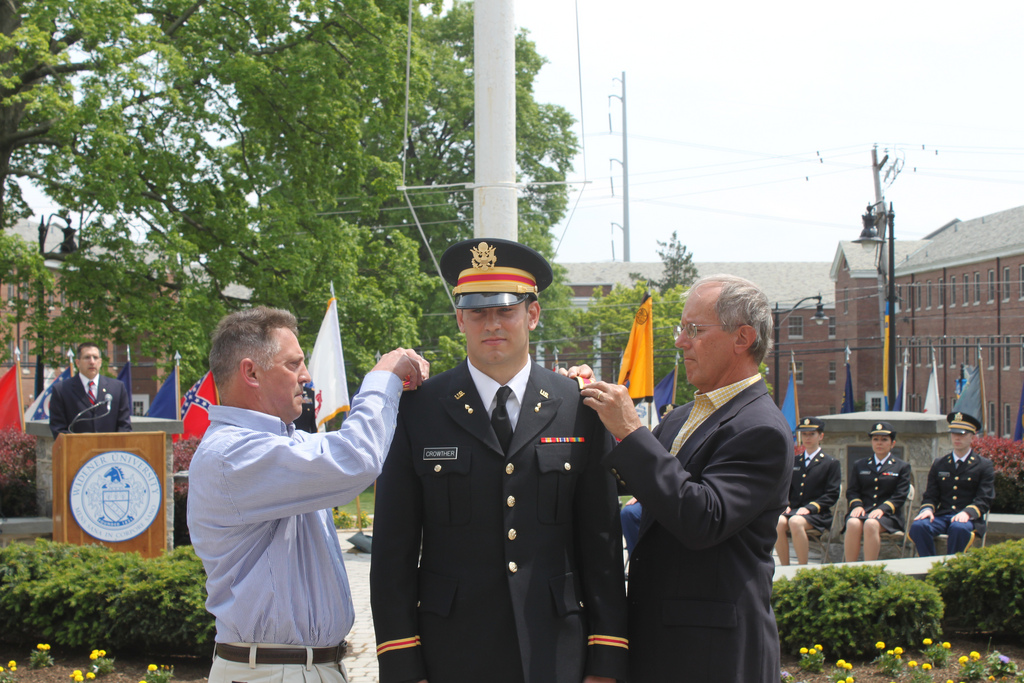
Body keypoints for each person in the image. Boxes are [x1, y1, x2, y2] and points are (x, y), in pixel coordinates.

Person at [370, 238, 628, 683]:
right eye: (477, 312)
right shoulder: (418, 409)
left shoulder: (578, 406)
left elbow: (601, 543)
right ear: (459, 319)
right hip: (451, 652)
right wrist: (402, 665)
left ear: (533, 314)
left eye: (506, 310)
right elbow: (393, 550)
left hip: (557, 649)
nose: (491, 324)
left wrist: (606, 657)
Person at [187, 306, 428, 683]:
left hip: (293, 667)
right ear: (251, 373)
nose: (306, 376)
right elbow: (356, 459)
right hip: (273, 671)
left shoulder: (277, 445)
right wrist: (382, 377)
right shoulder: (232, 455)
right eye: (293, 364)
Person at [579, 273, 792, 683]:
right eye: (681, 329)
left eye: (694, 330)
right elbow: (634, 478)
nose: (680, 342)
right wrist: (579, 406)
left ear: (742, 338)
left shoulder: (761, 428)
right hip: (663, 643)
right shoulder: (682, 417)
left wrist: (631, 431)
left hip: (715, 655)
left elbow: (702, 518)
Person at [909, 411, 995, 556]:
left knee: (959, 528)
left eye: (962, 434)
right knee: (919, 526)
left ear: (972, 437)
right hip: (942, 516)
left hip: (968, 518)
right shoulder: (940, 463)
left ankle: (953, 566)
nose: (957, 438)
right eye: (954, 434)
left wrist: (968, 512)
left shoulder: (983, 465)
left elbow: (985, 498)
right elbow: (930, 495)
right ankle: (928, 564)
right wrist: (927, 509)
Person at [775, 417, 842, 566]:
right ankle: (785, 566)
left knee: (795, 522)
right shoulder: (795, 461)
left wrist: (810, 508)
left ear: (821, 436)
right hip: (794, 510)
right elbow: (786, 488)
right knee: (778, 521)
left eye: (812, 434)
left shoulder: (830, 463)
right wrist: (786, 505)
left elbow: (832, 494)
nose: (807, 438)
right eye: (804, 434)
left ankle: (802, 566)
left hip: (817, 514)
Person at [843, 421, 912, 563]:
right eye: (875, 439)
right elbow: (852, 491)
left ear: (892, 443)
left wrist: (882, 509)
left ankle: (869, 568)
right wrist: (857, 506)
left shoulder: (901, 467)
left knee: (871, 524)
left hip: (889, 515)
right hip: (864, 511)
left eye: (884, 439)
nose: (879, 443)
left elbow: (900, 495)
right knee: (853, 523)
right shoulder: (860, 465)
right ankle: (850, 567)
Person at [620, 403, 677, 562]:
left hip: (676, 493)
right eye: (664, 416)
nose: (666, 418)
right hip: (652, 492)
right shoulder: (662, 433)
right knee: (629, 513)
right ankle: (637, 558)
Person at [49, 342, 132, 436]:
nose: (92, 362)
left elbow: (125, 426)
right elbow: (58, 428)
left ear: (100, 362)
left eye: (95, 358)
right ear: (77, 363)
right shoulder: (61, 390)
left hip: (110, 445)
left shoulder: (117, 388)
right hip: (76, 445)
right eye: (87, 357)